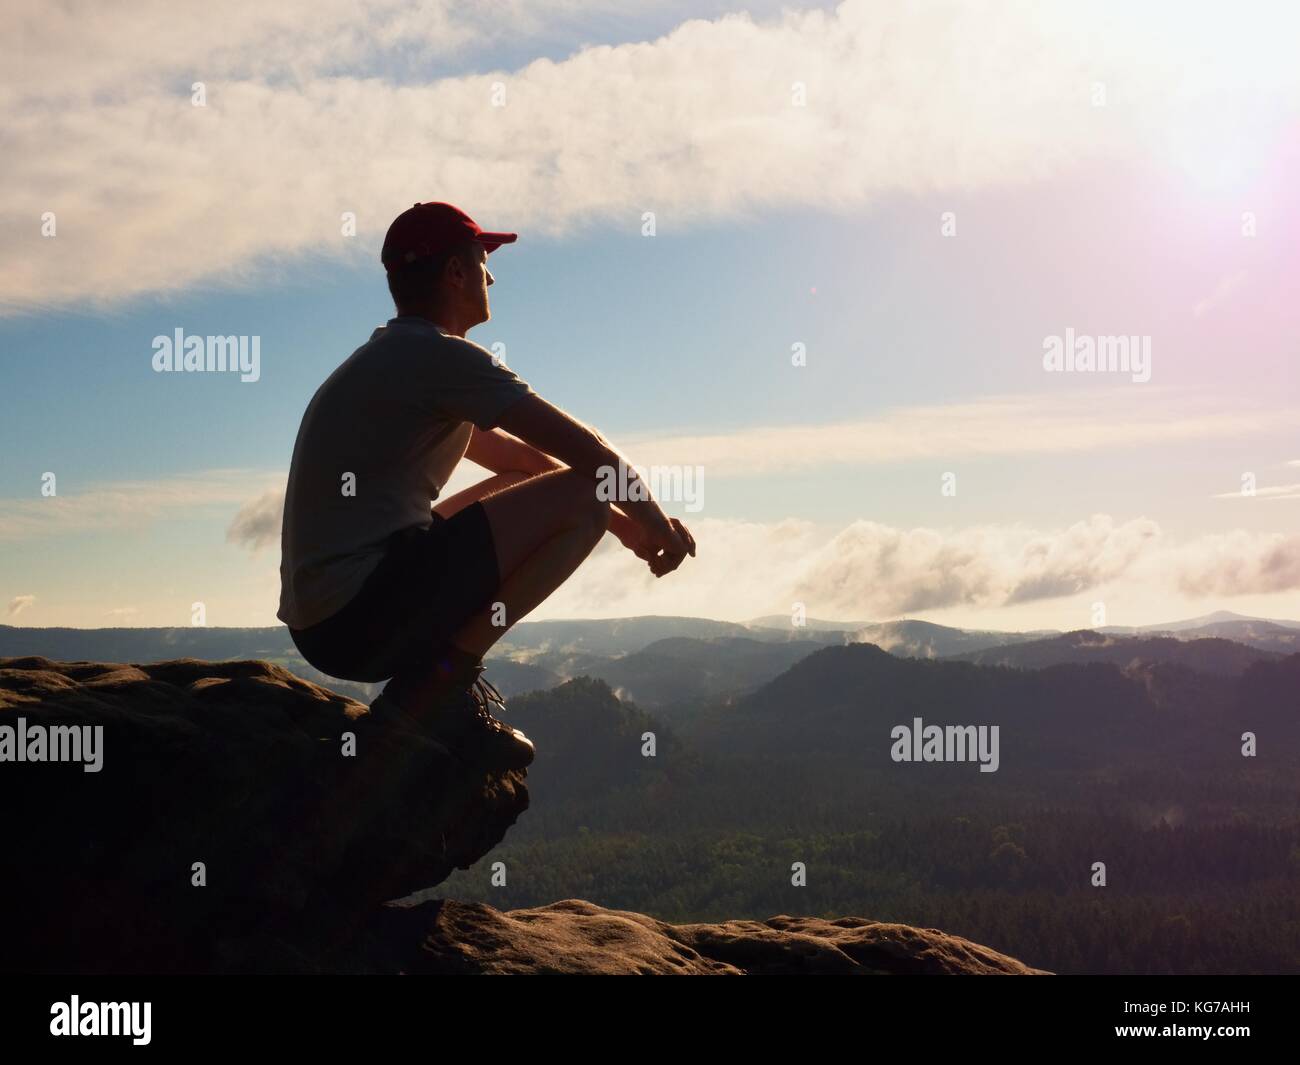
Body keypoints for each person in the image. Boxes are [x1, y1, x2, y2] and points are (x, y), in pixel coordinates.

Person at [277, 201, 695, 771]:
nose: (491, 275)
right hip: (361, 615)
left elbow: (528, 461)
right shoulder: (437, 357)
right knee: (589, 493)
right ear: (454, 272)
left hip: (329, 620)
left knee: (565, 487)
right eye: (481, 259)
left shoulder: (393, 360)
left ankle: (431, 683)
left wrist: (626, 529)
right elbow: (590, 453)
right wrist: (655, 523)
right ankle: (436, 691)